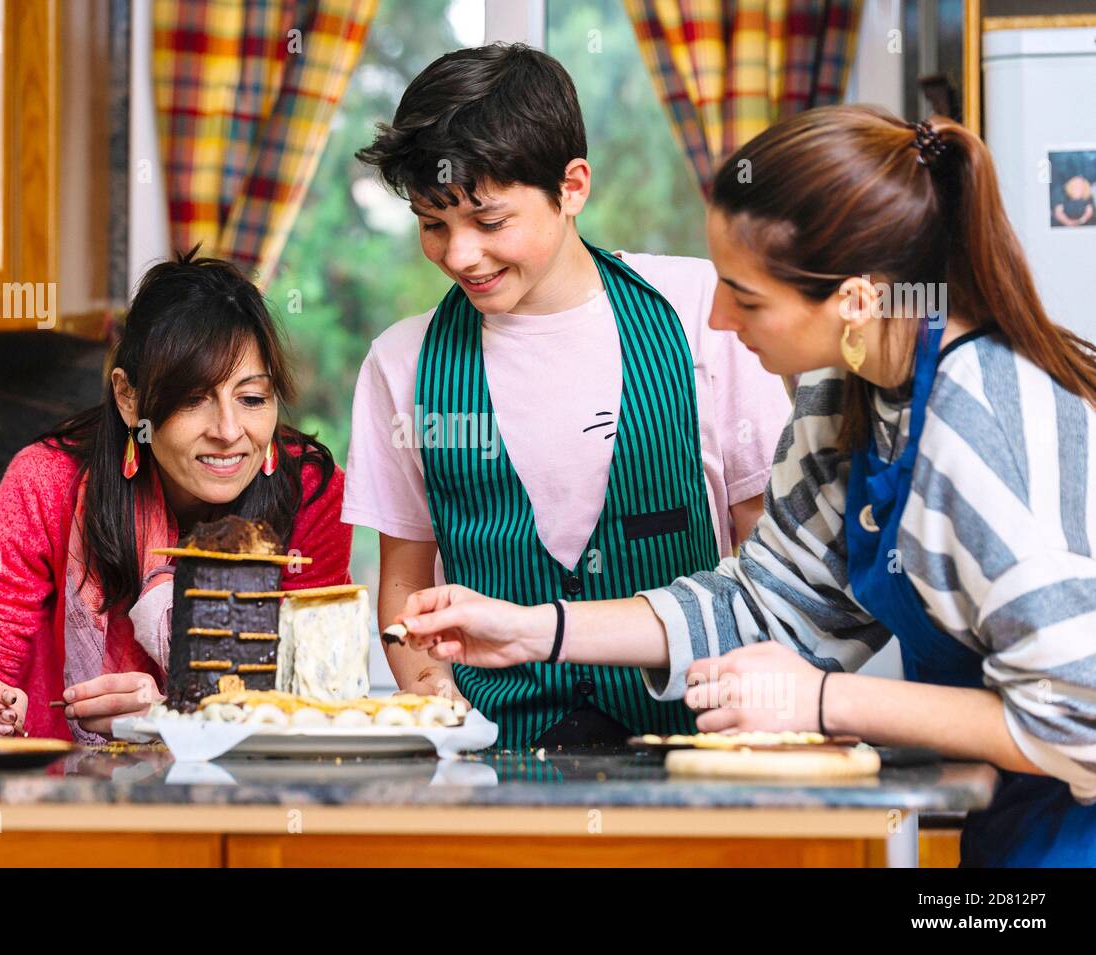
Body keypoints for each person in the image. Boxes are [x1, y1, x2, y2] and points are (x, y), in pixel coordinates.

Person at [394, 106, 1096, 866]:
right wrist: (537, 629)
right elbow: (760, 606)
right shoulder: (844, 400)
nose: (721, 318)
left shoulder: (983, 424)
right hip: (1015, 824)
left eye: (748, 296)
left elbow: (1078, 719)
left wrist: (821, 700)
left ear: (857, 300)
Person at [344, 43, 789, 750]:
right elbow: (403, 582)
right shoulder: (402, 364)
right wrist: (436, 698)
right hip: (498, 762)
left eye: (489, 222)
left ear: (573, 186)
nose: (459, 254)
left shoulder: (702, 308)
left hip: (701, 752)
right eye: (433, 224)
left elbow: (768, 550)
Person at [0, 252, 351, 742]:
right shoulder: (46, 482)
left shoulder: (311, 491)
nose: (230, 432)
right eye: (193, 400)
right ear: (129, 398)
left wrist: (167, 716)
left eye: (252, 399)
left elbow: (319, 698)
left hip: (253, 799)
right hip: (64, 801)